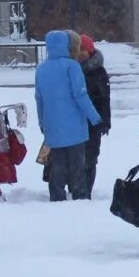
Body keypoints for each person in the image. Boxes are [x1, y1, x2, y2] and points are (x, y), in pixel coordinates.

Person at [35, 30, 102, 203]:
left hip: (53, 128)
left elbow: (39, 99)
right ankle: (79, 200)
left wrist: (42, 122)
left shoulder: (41, 69)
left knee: (56, 168)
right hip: (75, 128)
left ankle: (56, 199)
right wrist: (95, 118)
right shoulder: (72, 67)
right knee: (77, 168)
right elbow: (81, 95)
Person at [76, 34, 111, 201]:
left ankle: (86, 191)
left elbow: (105, 98)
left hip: (94, 121)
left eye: (83, 49)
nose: (80, 53)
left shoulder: (98, 72)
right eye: (77, 50)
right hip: (75, 120)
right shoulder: (72, 69)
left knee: (91, 157)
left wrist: (105, 121)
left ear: (90, 51)